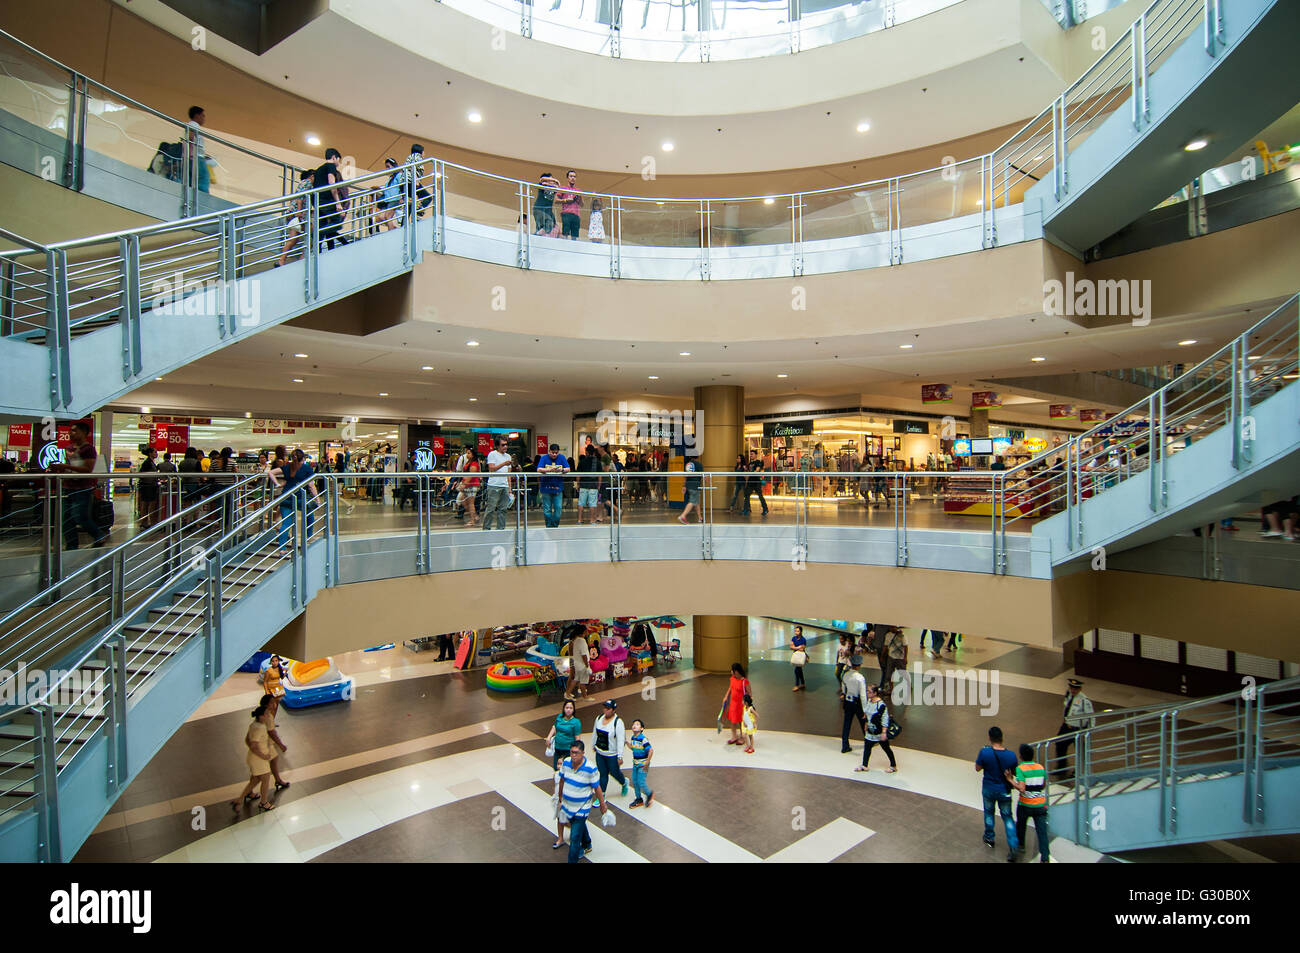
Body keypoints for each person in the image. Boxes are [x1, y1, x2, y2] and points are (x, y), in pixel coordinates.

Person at [49, 420, 107, 549]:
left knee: (80, 516)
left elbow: (88, 469)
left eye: (75, 431)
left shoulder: (89, 449)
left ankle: (99, 535)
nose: (71, 433)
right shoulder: (69, 448)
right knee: (66, 519)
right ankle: (71, 545)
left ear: (84, 433)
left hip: (82, 489)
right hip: (67, 487)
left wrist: (65, 466)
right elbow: (70, 466)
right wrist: (60, 468)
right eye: (70, 431)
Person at [557, 740, 608, 863]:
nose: (573, 755)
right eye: (572, 752)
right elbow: (562, 780)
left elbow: (597, 787)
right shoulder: (566, 763)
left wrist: (602, 804)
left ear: (583, 753)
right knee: (576, 826)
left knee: (574, 838)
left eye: (576, 753)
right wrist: (560, 797)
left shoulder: (590, 768)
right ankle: (587, 842)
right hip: (568, 806)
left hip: (582, 808)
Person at [975, 726, 1020, 861]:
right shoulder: (1011, 755)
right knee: (1007, 817)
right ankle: (1013, 845)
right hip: (1004, 790)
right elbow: (1015, 773)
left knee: (989, 812)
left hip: (988, 788)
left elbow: (977, 768)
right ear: (1002, 738)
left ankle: (989, 837)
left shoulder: (984, 752)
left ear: (989, 738)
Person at [230, 699, 277, 812]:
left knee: (255, 780)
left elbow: (247, 740)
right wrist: (263, 755)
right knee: (265, 779)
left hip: (253, 757)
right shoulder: (260, 728)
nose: (268, 716)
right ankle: (264, 802)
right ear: (261, 717)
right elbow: (253, 745)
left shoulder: (253, 725)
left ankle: (240, 799)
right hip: (259, 759)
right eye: (266, 714)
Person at [1010, 743, 1050, 863]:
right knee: (1042, 832)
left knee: (1021, 826)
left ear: (1021, 756)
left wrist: (1010, 780)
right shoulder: (1040, 767)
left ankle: (1021, 846)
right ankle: (1045, 857)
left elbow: (1022, 788)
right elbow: (1043, 785)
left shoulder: (1020, 769)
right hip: (1040, 805)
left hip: (1025, 804)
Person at [1053, 678, 1094, 779]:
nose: (1073, 690)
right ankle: (1061, 767)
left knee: (1079, 750)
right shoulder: (1069, 695)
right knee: (1059, 744)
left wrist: (1089, 730)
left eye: (1075, 688)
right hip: (1066, 726)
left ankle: (1079, 771)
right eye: (1071, 688)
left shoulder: (1084, 700)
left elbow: (1091, 716)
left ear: (1080, 689)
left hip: (1077, 728)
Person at [313, 148, 350, 250]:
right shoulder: (331, 166)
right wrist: (338, 203)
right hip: (326, 200)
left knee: (324, 223)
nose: (338, 163)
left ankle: (317, 250)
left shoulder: (319, 169)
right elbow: (332, 184)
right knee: (337, 223)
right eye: (338, 160)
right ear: (334, 157)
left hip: (317, 201)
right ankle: (316, 233)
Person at [591, 700, 628, 798]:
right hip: (600, 753)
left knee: (615, 772)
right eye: (604, 708)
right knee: (603, 774)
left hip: (612, 754)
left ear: (613, 710)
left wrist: (620, 756)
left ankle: (624, 782)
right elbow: (595, 732)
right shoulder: (599, 718)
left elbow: (621, 740)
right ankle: (601, 796)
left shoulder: (618, 722)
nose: (605, 710)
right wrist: (593, 744)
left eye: (608, 708)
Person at [857, 683, 898, 773]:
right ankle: (864, 765)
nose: (867, 693)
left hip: (879, 732)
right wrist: (866, 723)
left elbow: (884, 719)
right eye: (867, 691)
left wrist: (884, 732)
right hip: (870, 731)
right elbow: (867, 714)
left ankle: (893, 765)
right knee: (867, 748)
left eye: (869, 691)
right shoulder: (869, 701)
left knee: (886, 748)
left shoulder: (881, 705)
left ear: (875, 693)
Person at [278, 168, 315, 265]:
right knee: (314, 233)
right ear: (312, 176)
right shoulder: (307, 183)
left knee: (293, 239)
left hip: (293, 212)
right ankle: (302, 259)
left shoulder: (303, 183)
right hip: (297, 213)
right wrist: (299, 211)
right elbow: (300, 197)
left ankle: (281, 260)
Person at [261, 692, 291, 791]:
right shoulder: (267, 717)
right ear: (267, 704)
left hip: (267, 744)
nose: (274, 705)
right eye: (272, 703)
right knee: (258, 774)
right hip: (263, 745)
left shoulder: (265, 713)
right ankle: (248, 793)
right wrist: (281, 745)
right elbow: (272, 733)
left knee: (274, 760)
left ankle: (278, 779)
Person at [537, 442, 569, 528]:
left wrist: (561, 469)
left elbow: (568, 469)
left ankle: (554, 525)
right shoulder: (544, 458)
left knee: (558, 509)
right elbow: (539, 469)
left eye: (556, 453)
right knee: (547, 510)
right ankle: (549, 526)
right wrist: (549, 470)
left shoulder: (562, 458)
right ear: (549, 451)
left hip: (558, 488)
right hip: (546, 488)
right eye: (552, 452)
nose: (554, 454)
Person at [186, 106, 215, 193]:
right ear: (197, 115)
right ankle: (204, 200)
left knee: (193, 180)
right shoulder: (193, 125)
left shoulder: (190, 125)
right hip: (196, 158)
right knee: (203, 179)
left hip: (194, 156)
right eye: (203, 115)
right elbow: (191, 138)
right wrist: (191, 155)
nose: (204, 118)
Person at [626, 718, 655, 807]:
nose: (634, 725)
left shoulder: (643, 739)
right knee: (635, 781)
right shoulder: (633, 738)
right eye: (634, 724)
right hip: (635, 763)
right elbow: (633, 748)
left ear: (642, 728)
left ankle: (649, 794)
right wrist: (627, 743)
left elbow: (650, 750)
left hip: (643, 764)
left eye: (637, 724)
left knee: (641, 782)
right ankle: (638, 799)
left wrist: (647, 762)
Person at [722, 662, 750, 747]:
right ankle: (734, 736)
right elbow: (731, 688)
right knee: (733, 721)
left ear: (737, 671)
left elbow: (749, 693)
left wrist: (748, 703)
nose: (731, 672)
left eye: (733, 670)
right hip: (733, 704)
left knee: (741, 722)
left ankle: (742, 737)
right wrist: (726, 696)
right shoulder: (732, 679)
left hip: (741, 705)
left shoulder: (744, 682)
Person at [575, 444, 601, 525]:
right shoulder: (598, 462)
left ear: (586, 452)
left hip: (583, 485)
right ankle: (592, 520)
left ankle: (579, 520)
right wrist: (599, 486)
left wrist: (578, 484)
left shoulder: (582, 461)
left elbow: (578, 475)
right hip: (593, 485)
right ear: (593, 452)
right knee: (593, 503)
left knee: (581, 503)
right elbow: (600, 476)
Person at [136, 445, 161, 529]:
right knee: (148, 504)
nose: (156, 454)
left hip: (149, 485)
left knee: (146, 504)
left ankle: (145, 521)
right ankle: (147, 521)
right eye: (155, 452)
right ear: (150, 453)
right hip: (148, 486)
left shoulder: (150, 462)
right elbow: (142, 474)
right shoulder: (147, 463)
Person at [566, 626, 591, 700]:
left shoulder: (576, 640)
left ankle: (571, 692)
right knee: (573, 676)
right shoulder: (576, 641)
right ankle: (568, 692)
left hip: (576, 661)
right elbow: (580, 655)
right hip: (576, 661)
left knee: (576, 678)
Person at [557, 169, 583, 239]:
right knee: (565, 232)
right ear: (567, 178)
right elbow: (556, 200)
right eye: (571, 176)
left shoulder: (578, 190)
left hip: (576, 214)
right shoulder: (563, 188)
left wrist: (579, 198)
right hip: (566, 213)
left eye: (574, 177)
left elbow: (582, 204)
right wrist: (566, 200)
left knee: (574, 234)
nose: (573, 178)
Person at [534, 171, 560, 236]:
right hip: (539, 209)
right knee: (549, 222)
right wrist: (555, 180)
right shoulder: (542, 186)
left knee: (550, 224)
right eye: (550, 179)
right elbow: (542, 180)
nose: (552, 181)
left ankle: (537, 235)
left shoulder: (553, 189)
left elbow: (558, 186)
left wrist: (554, 184)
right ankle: (536, 235)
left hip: (548, 211)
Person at [678, 456, 701, 524]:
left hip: (688, 485)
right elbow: (704, 475)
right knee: (692, 501)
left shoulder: (688, 464)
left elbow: (686, 476)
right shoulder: (698, 464)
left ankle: (700, 517)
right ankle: (683, 516)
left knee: (696, 501)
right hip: (695, 486)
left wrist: (684, 486)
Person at [789, 624, 808, 692]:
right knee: (799, 670)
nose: (796, 632)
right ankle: (802, 683)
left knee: (797, 670)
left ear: (801, 632)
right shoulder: (793, 638)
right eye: (795, 631)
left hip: (800, 656)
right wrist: (797, 647)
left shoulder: (803, 639)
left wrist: (795, 647)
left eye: (798, 631)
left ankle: (797, 685)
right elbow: (791, 646)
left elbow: (802, 648)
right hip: (796, 655)